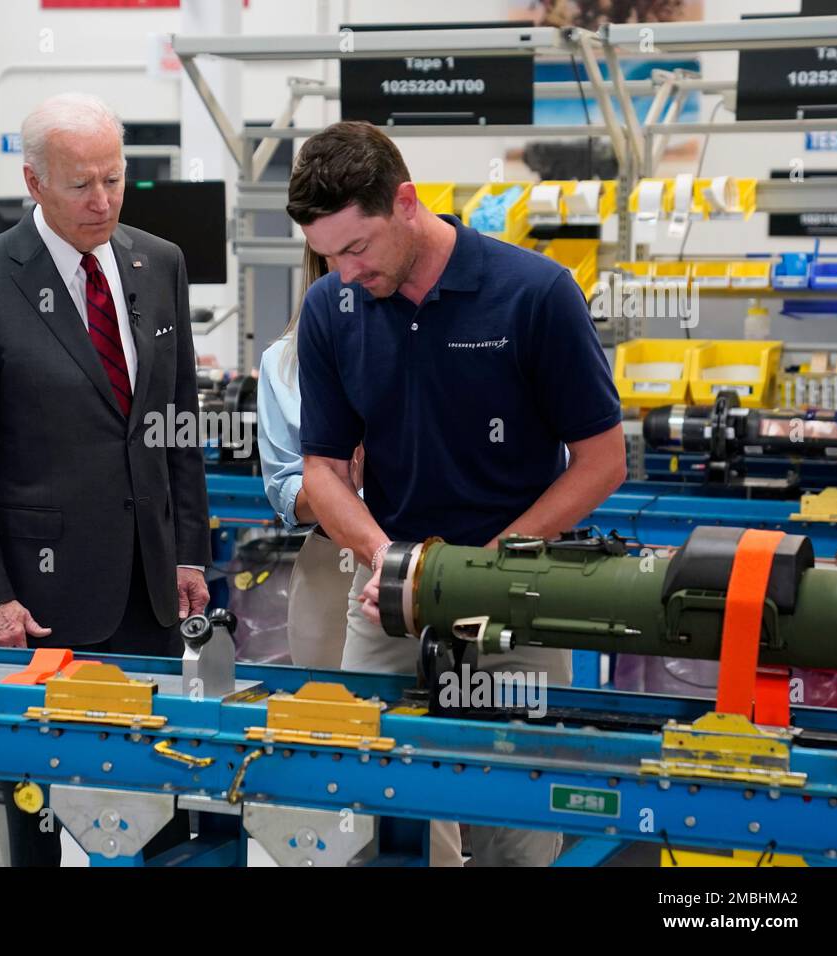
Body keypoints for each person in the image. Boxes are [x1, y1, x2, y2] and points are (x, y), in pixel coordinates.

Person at [290, 121, 627, 866]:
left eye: (356, 249)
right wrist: (391, 562)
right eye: (327, 255)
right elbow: (321, 469)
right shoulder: (330, 310)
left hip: (519, 601)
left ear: (405, 203)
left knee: (517, 824)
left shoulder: (533, 293)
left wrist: (487, 567)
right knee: (372, 813)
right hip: (388, 605)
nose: (343, 273)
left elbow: (603, 460)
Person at [0, 92, 211, 865]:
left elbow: (175, 419)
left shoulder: (159, 262)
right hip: (36, 602)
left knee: (150, 798)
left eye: (114, 179)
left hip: (145, 589)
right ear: (34, 182)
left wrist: (189, 551)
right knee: (35, 810)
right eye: (81, 183)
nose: (102, 200)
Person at [257, 247, 356, 669]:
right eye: (342, 248)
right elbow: (285, 496)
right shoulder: (282, 362)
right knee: (330, 716)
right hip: (335, 560)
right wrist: (340, 475)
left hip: (431, 551)